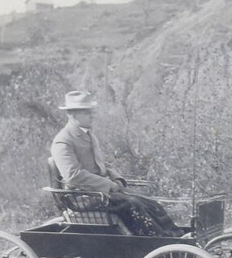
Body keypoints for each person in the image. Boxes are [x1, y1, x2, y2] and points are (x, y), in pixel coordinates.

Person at [49, 91, 179, 237]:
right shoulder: (63, 141)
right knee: (132, 203)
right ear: (72, 114)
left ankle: (175, 235)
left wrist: (116, 179)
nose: (92, 115)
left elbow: (104, 164)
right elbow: (73, 175)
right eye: (87, 112)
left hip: (99, 193)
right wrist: (107, 184)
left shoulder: (89, 136)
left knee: (148, 201)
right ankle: (157, 241)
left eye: (91, 111)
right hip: (82, 196)